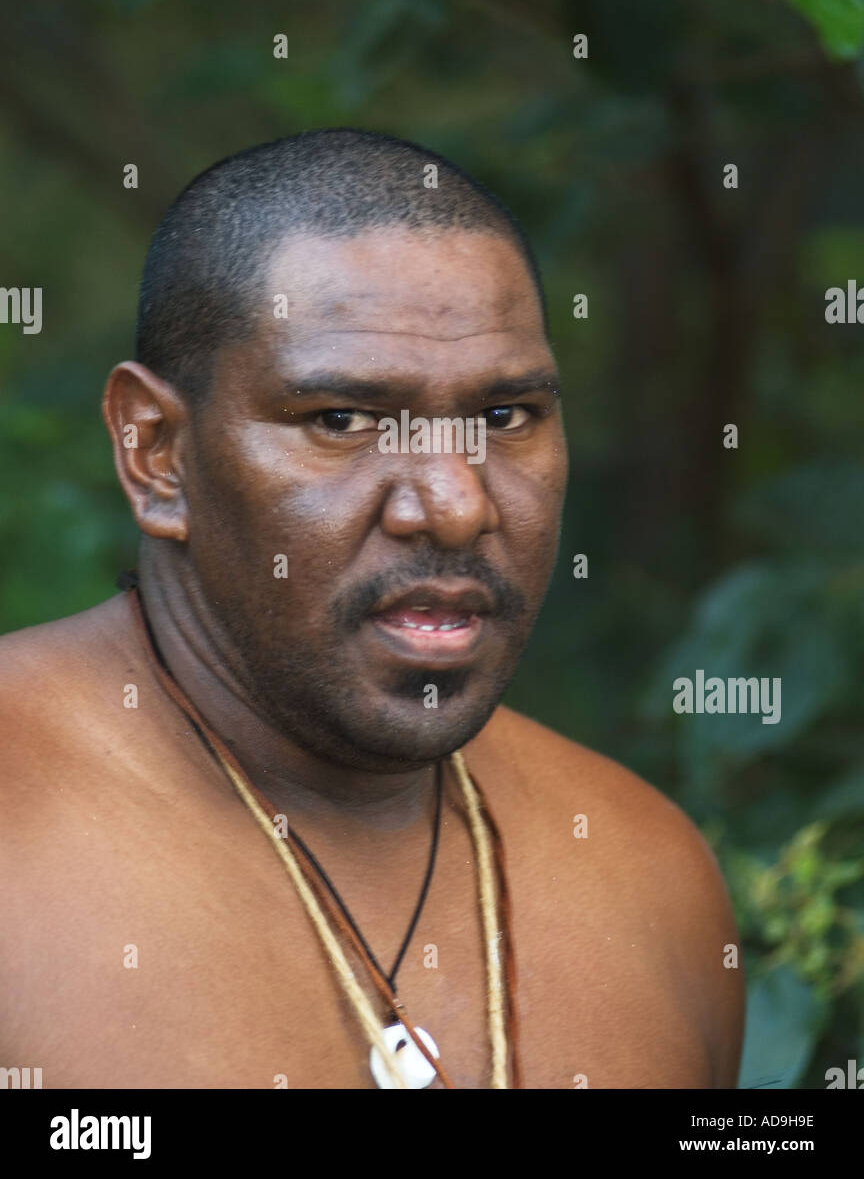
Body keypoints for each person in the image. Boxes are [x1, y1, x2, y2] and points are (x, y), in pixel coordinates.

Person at [0, 130, 744, 1089]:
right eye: (343, 421)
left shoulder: (650, 871)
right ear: (155, 452)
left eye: (504, 416)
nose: (455, 504)